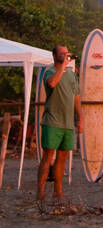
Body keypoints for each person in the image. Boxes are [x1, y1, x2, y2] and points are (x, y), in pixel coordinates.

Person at [37, 46, 81, 208]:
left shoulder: (71, 74)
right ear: (55, 55)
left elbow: (76, 97)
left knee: (63, 158)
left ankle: (58, 191)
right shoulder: (49, 72)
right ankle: (40, 192)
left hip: (68, 123)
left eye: (66, 52)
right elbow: (53, 83)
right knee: (48, 157)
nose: (65, 54)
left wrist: (80, 119)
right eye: (62, 53)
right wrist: (63, 66)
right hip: (52, 121)